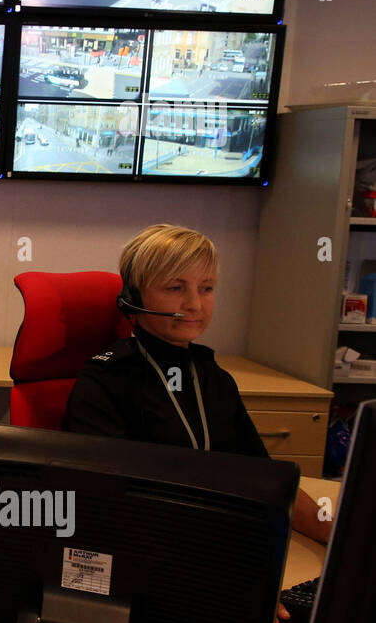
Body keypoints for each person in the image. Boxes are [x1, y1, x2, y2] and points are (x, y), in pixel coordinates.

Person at [63, 224, 333, 552]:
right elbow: (104, 506)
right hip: (148, 552)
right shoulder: (106, 381)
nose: (195, 304)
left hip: (214, 538)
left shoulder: (213, 379)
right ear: (134, 298)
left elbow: (267, 477)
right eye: (176, 287)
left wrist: (331, 529)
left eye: (206, 288)